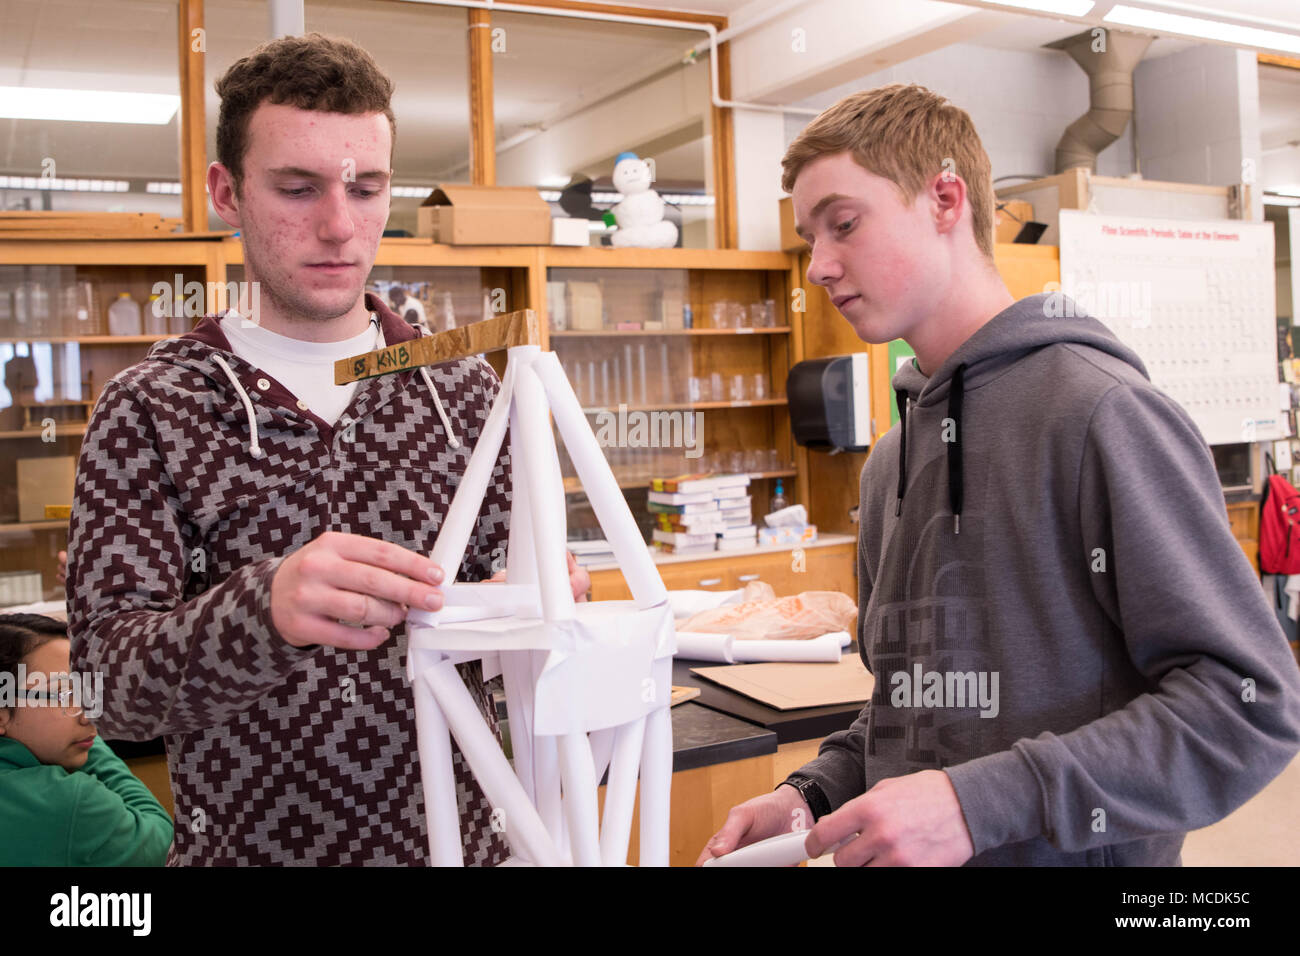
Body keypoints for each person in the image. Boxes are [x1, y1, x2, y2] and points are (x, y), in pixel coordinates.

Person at [698, 83, 1300, 867]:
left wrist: (976, 805)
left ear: (946, 198)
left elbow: (1246, 708)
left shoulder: (1103, 415)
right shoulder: (890, 467)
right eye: (811, 237)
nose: (818, 265)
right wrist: (812, 794)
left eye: (844, 224)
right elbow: (909, 709)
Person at [66, 32, 588, 866]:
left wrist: (540, 603)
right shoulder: (154, 406)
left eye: (366, 187)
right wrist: (262, 610)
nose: (340, 226)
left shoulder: (464, 393)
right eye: (297, 188)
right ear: (226, 192)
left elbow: (523, 641)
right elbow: (100, 689)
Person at [0, 613, 173, 866]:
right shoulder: (68, 802)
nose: (91, 713)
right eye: (65, 694)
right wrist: (86, 740)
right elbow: (164, 844)